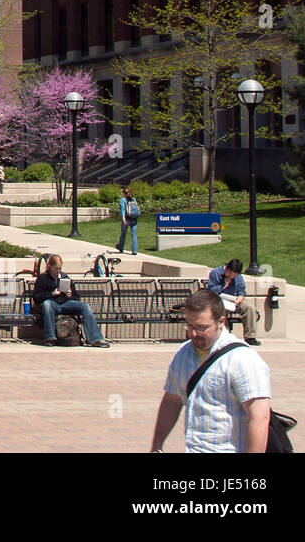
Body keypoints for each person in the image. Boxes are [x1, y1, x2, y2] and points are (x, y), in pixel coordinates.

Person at [150, 289, 271, 453]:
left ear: (221, 322)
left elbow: (259, 418)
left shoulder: (242, 359)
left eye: (201, 327)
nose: (193, 333)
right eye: (190, 325)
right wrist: (157, 445)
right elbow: (172, 400)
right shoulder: (183, 354)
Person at [32, 254, 110, 347]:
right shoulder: (42, 278)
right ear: (50, 267)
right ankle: (50, 338)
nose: (58, 271)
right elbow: (36, 297)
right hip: (52, 303)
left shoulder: (65, 277)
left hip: (65, 303)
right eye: (56, 268)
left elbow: (76, 297)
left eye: (60, 268)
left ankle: (95, 339)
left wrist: (69, 295)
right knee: (47, 304)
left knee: (85, 306)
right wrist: (51, 294)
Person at [207, 259, 261, 345]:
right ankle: (224, 337)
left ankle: (250, 337)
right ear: (227, 269)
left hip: (232, 300)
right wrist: (223, 285)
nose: (232, 277)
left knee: (249, 307)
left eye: (234, 275)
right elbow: (211, 291)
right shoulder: (215, 273)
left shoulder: (238, 276)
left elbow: (241, 289)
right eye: (231, 274)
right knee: (220, 310)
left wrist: (240, 297)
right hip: (218, 300)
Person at [116, 185, 140, 254]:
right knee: (134, 235)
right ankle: (134, 250)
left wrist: (123, 219)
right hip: (134, 219)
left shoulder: (122, 200)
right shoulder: (133, 199)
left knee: (123, 234)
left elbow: (123, 210)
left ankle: (121, 248)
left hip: (126, 219)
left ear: (123, 193)